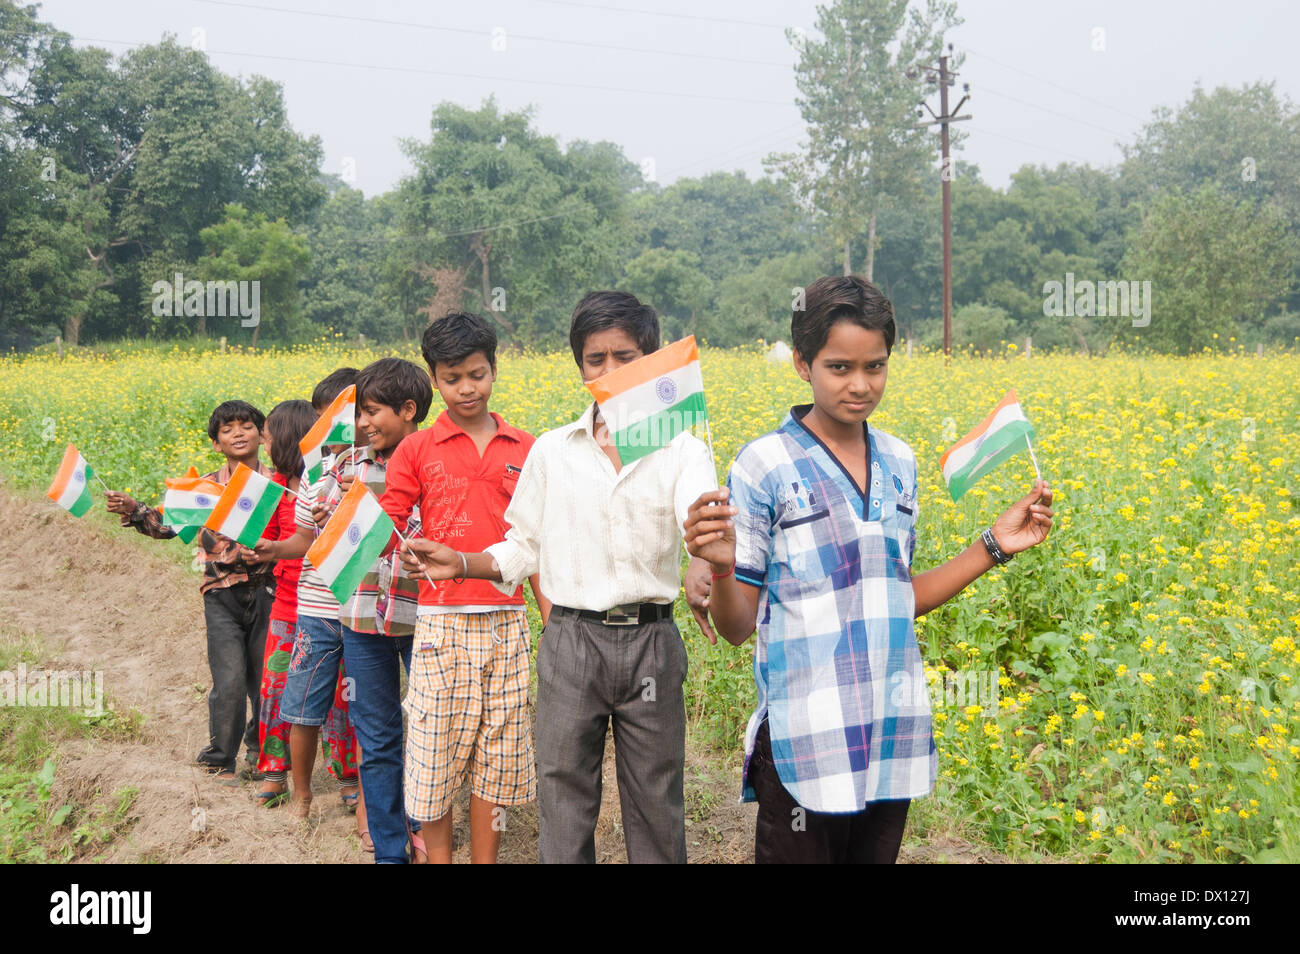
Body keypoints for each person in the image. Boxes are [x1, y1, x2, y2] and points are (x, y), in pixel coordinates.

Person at [685, 275, 1055, 864]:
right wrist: (724, 570)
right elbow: (736, 628)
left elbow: (893, 596)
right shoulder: (764, 465)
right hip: (806, 739)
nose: (860, 385)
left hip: (889, 734)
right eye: (839, 367)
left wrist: (993, 545)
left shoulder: (901, 461)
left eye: (875, 367)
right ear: (802, 365)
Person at [401, 291, 717, 864]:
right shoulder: (553, 451)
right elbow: (524, 546)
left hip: (652, 641)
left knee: (656, 800)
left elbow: (700, 520)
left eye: (626, 357)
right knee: (564, 799)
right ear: (579, 367)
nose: (611, 372)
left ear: (651, 361)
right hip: (572, 641)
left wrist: (704, 557)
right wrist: (465, 562)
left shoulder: (682, 447)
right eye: (596, 359)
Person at [378, 312, 549, 864]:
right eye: (452, 379)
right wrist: (398, 547)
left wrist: (552, 623)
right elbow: (391, 518)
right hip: (441, 624)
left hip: (506, 621)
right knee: (433, 757)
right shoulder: (416, 449)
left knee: (496, 758)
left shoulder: (528, 449)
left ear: (494, 370)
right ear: (434, 380)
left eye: (477, 374)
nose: (466, 388)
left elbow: (538, 545)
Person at [105, 400, 274, 785]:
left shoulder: (278, 484)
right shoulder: (204, 489)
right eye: (227, 429)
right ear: (216, 443)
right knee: (229, 680)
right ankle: (220, 760)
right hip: (221, 595)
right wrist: (134, 509)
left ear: (262, 435)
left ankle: (261, 753)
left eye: (246, 425)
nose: (238, 433)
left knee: (267, 682)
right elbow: (167, 524)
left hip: (269, 592)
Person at [311, 356, 431, 864]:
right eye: (359, 412)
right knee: (378, 738)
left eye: (372, 411)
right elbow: (328, 531)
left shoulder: (434, 459)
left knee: (428, 734)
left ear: (408, 410)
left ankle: (427, 834)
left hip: (423, 616)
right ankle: (389, 851)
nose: (361, 423)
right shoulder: (347, 466)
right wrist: (325, 517)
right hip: (361, 618)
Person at [239, 399, 361, 823]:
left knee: (345, 700)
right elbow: (281, 537)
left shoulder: (345, 475)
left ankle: (351, 781)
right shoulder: (281, 486)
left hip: (344, 605)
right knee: (285, 697)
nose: (264, 443)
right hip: (295, 604)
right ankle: (280, 778)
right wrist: (263, 550)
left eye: (269, 437)